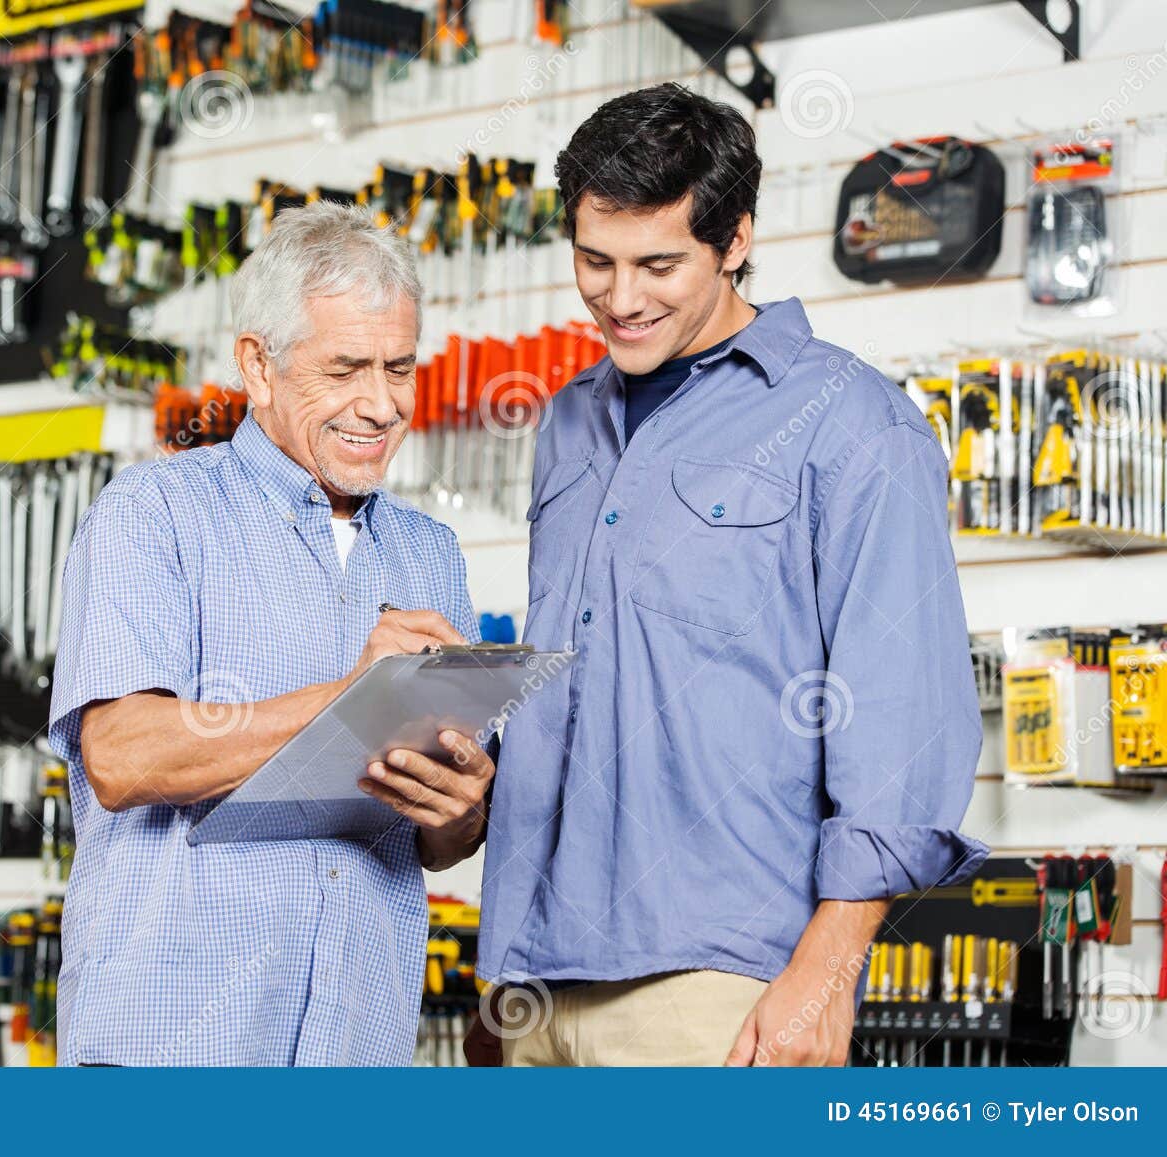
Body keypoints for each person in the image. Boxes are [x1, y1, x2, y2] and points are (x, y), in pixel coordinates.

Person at [470, 83, 988, 1067]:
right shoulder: (567, 421)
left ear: (734, 239)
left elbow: (903, 719)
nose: (620, 299)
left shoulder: (851, 423)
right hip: (528, 978)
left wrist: (827, 971)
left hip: (716, 986)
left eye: (658, 264)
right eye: (594, 260)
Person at [48, 201, 493, 1066]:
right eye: (346, 369)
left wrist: (464, 806)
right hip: (172, 1055)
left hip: (353, 1052)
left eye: (399, 368)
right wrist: (352, 700)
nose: (381, 404)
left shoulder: (431, 555)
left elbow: (442, 842)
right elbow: (123, 756)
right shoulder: (155, 515)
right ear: (259, 365)